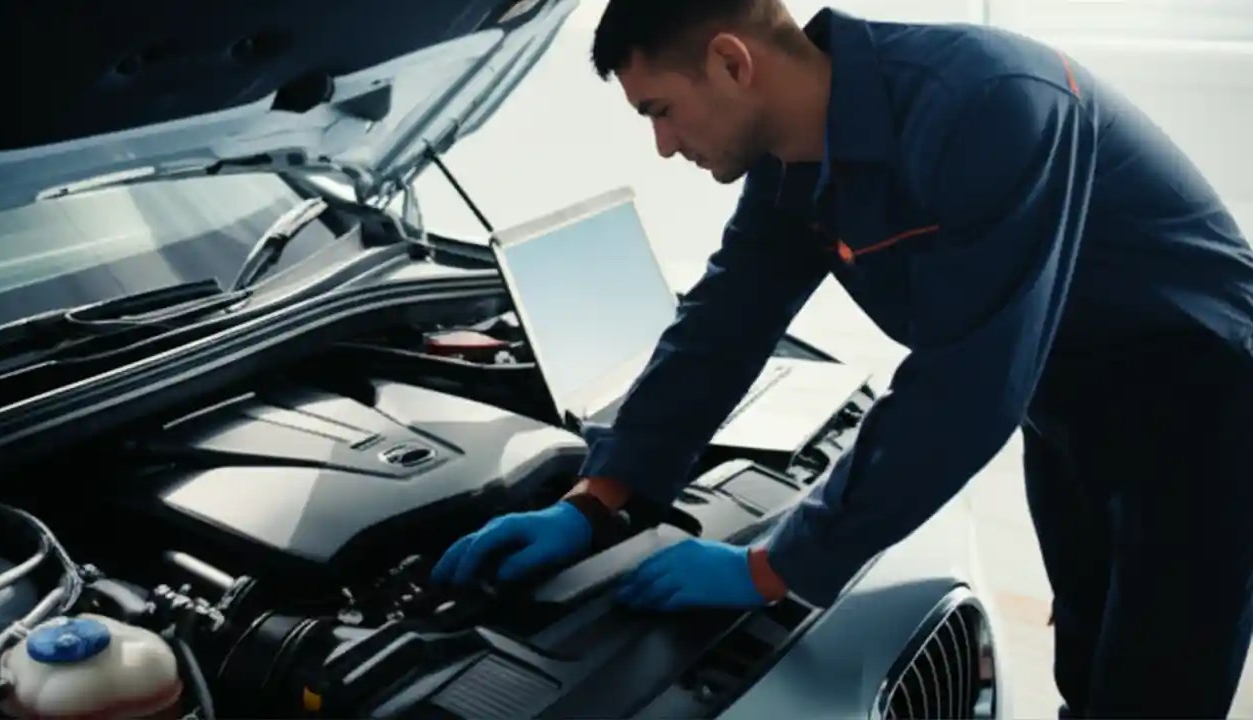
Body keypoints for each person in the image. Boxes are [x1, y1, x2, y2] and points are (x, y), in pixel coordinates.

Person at [431, 1, 1253, 716]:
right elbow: (723, 323)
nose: (663, 144)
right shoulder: (796, 163)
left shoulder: (988, 107)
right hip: (1067, 396)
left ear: (730, 62)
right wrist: (599, 497)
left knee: (1156, 690)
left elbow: (964, 389)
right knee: (1085, 655)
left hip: (1202, 402)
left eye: (662, 110)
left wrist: (774, 563)